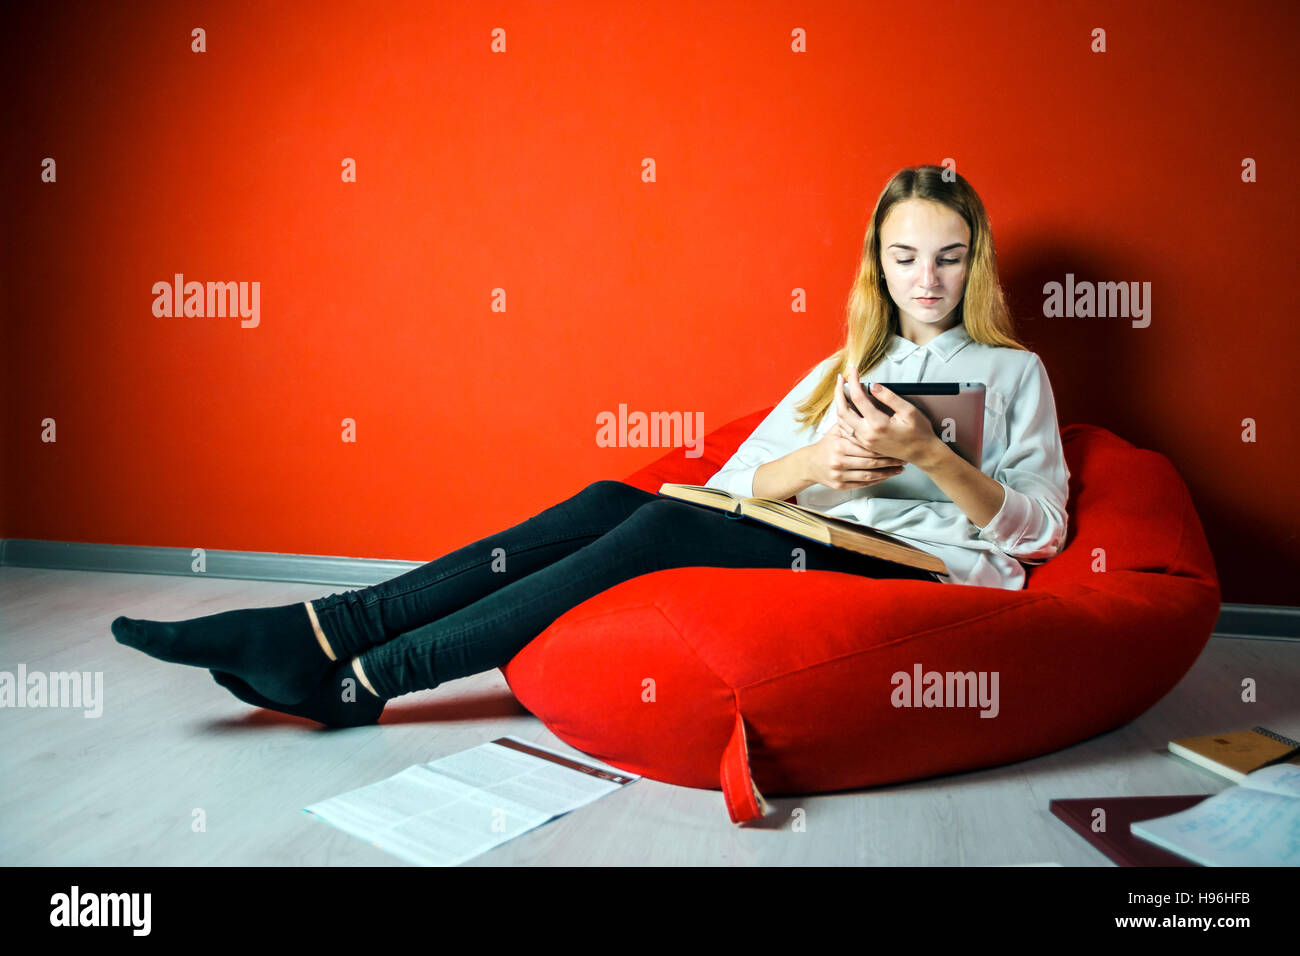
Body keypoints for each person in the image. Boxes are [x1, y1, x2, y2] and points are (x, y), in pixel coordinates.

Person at [111, 164, 1069, 729]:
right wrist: (820, 463)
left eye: (947, 256)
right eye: (905, 258)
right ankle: (330, 632)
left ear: (974, 260)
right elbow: (741, 481)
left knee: (653, 531)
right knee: (620, 501)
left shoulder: (1014, 371)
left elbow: (1044, 536)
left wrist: (939, 459)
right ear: (879, 265)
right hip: (804, 532)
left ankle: (368, 683)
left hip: (922, 568)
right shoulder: (843, 366)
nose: (926, 279)